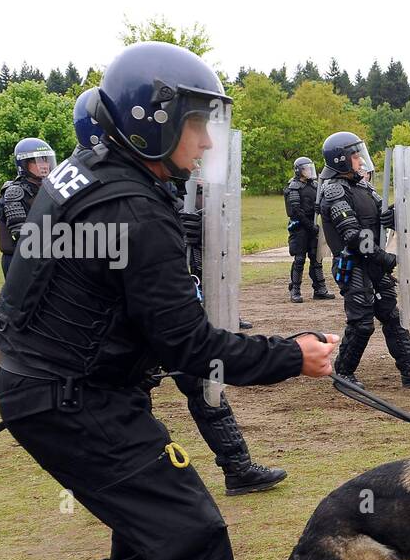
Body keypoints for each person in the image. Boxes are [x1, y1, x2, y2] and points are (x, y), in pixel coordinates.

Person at [0, 42, 338, 560]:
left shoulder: (83, 175)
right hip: (72, 398)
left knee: (144, 498)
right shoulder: (135, 212)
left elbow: (98, 302)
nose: (206, 138)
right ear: (152, 119)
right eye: (195, 121)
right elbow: (190, 349)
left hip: (51, 386)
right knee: (192, 527)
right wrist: (290, 356)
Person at [74, 87, 284, 495]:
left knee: (202, 379)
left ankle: (237, 466)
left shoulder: (155, 186)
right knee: (135, 402)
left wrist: (189, 237)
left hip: (166, 310)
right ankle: (133, 479)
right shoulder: (99, 200)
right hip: (124, 339)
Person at [317, 131, 410, 389]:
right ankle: (343, 374)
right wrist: (383, 256)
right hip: (353, 264)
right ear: (340, 159)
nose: (360, 159)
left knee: (391, 316)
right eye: (355, 154)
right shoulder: (334, 190)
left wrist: (390, 215)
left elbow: (382, 213)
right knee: (361, 323)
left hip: (374, 263)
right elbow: (351, 235)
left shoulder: (364, 186)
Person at [0, 138, 55, 277]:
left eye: (46, 160)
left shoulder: (47, 189)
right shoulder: (14, 192)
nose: (44, 165)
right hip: (19, 259)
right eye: (37, 161)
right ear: (24, 164)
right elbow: (21, 235)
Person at [285, 156, 333, 302]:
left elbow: (320, 200)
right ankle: (295, 290)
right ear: (299, 171)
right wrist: (309, 225)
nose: (309, 171)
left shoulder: (314, 185)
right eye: (306, 168)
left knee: (316, 258)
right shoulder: (293, 186)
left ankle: (320, 289)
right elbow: (296, 210)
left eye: (310, 168)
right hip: (300, 228)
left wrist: (319, 207)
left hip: (313, 227)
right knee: (299, 259)